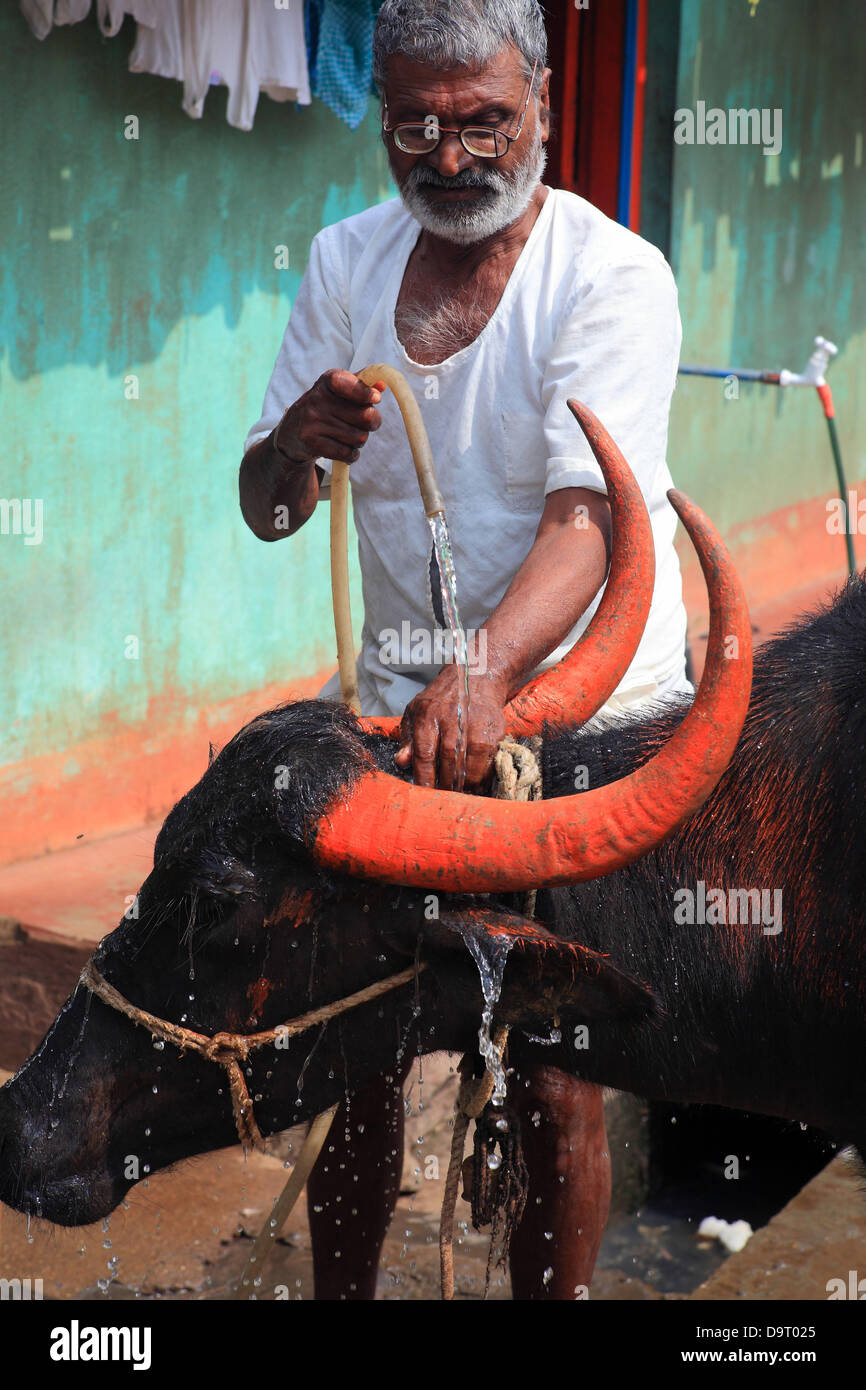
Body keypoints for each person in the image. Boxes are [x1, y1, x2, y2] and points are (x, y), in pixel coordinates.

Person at [240, 0, 689, 1299]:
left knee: (552, 1077)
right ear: (383, 116)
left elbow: (586, 519)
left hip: (578, 726)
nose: (448, 155)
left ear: (543, 102)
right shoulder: (344, 264)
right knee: (358, 1053)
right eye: (414, 125)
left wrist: (488, 672)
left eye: (483, 119)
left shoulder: (611, 278)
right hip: (400, 730)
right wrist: (291, 450)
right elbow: (271, 512)